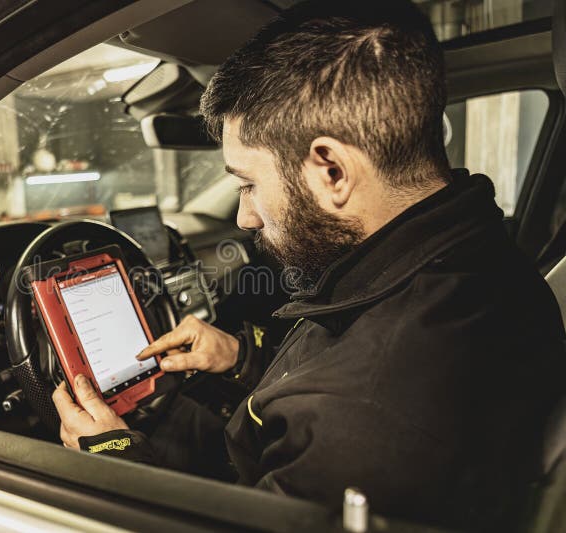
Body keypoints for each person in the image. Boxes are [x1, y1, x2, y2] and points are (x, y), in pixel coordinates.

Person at [52, 0, 566, 528]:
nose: (244, 216)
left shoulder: (360, 420)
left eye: (249, 183)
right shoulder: (478, 256)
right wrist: (242, 360)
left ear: (333, 171)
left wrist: (114, 459)